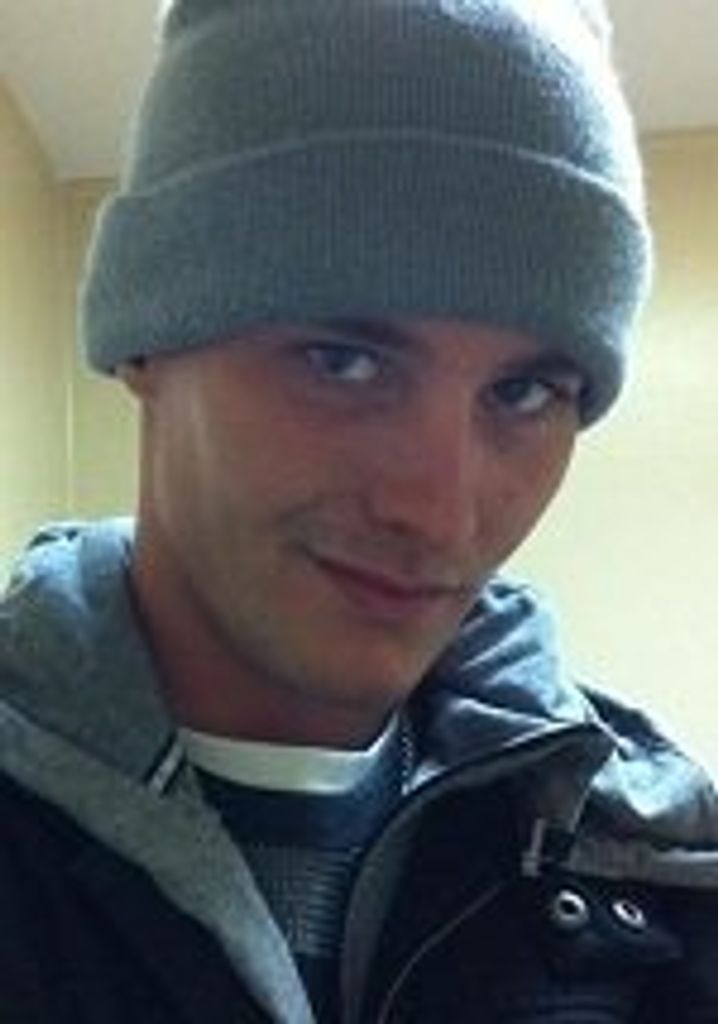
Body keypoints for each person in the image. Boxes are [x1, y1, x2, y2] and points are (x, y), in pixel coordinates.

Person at [1, 0, 717, 1020]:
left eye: (524, 392)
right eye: (343, 362)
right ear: (144, 341)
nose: (439, 511)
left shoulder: (659, 868)